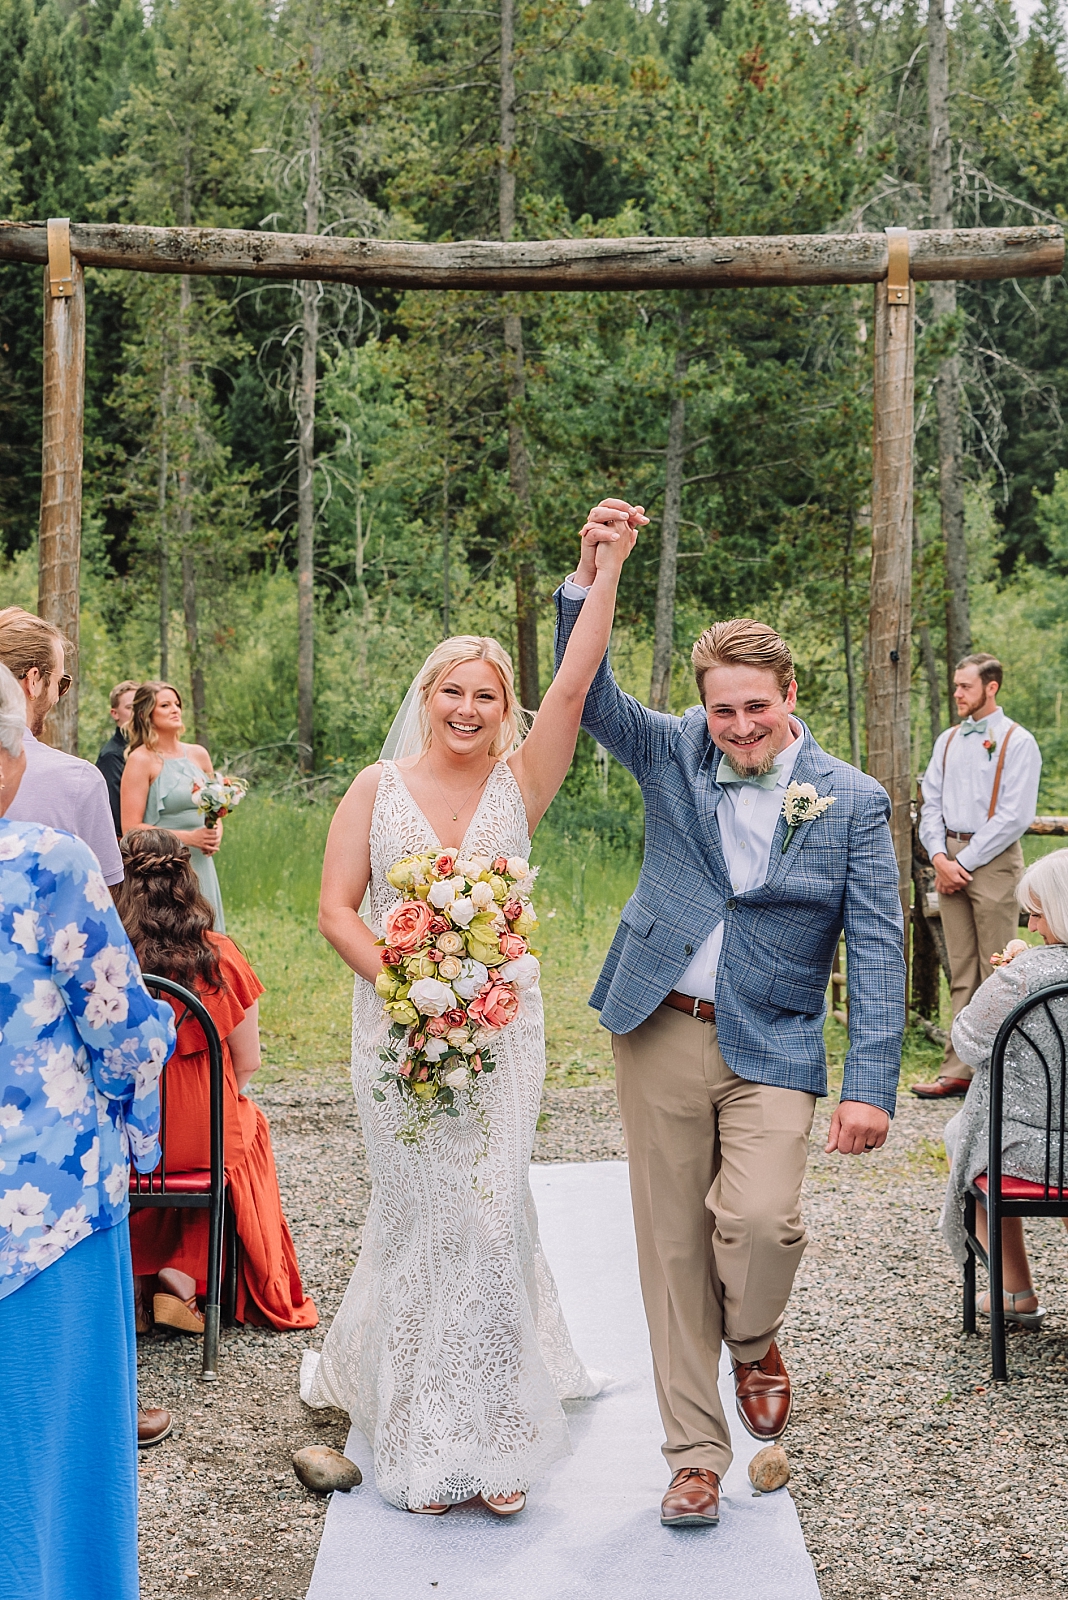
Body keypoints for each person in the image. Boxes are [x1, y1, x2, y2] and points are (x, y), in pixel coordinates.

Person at [553, 499, 905, 1531]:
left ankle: (753, 1340)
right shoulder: (671, 750)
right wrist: (594, 573)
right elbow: (586, 690)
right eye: (723, 711)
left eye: (757, 707)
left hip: (776, 1038)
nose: (741, 727)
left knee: (758, 1220)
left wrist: (870, 1086)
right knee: (670, 1251)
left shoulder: (851, 799)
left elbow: (878, 946)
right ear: (702, 708)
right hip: (657, 1022)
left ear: (789, 695)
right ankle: (695, 1458)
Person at [301, 502, 644, 1516]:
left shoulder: (521, 781)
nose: (466, 706)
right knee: (423, 1214)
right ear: (427, 698)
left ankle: (494, 1432)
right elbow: (334, 908)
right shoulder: (376, 786)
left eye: (485, 694)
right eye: (451, 690)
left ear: (504, 710)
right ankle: (419, 1426)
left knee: (490, 1216)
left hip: (500, 1037)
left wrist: (604, 567)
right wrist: (404, 987)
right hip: (394, 1033)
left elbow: (575, 681)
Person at [0, 661, 177, 1600]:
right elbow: (122, 1031)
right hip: (45, 1210)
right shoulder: (43, 862)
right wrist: (157, 1045)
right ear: (9, 757)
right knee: (46, 1459)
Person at [117, 828, 317, 1335]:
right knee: (243, 1136)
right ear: (187, 882)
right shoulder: (219, 955)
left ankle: (133, 1285)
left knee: (149, 1165)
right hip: (200, 1130)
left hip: (124, 1132)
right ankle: (181, 1278)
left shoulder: (106, 959)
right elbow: (248, 1063)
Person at [939, 850, 1068, 1327]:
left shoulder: (1024, 974)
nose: (1031, 925)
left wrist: (1007, 982)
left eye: (1038, 913)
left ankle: (1014, 1289)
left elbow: (968, 1043)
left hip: (1028, 1152)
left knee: (965, 1134)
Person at [914, 653, 1041, 1099]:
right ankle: (959, 1069)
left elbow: (1015, 814)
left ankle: (1006, 1073)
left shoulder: (1017, 741)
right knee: (962, 969)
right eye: (955, 685)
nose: (957, 694)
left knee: (1000, 968)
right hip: (947, 858)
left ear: (991, 687)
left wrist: (964, 862)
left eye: (965, 686)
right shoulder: (947, 740)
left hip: (993, 860)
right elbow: (930, 803)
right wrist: (939, 856)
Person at [0, 606, 124, 887]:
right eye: (61, 683)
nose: (57, 697)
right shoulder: (77, 781)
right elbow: (106, 898)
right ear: (33, 680)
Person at [120, 681, 227, 931]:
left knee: (208, 936)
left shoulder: (199, 754)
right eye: (165, 705)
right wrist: (189, 838)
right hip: (164, 868)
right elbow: (131, 828)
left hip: (202, 862)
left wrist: (215, 833)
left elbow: (216, 808)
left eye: (177, 704)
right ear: (146, 714)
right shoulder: (140, 760)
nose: (175, 710)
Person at [97, 680, 138, 836]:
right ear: (115, 713)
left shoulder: (148, 749)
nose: (137, 712)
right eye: (130, 707)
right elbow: (115, 817)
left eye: (140, 706)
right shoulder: (111, 756)